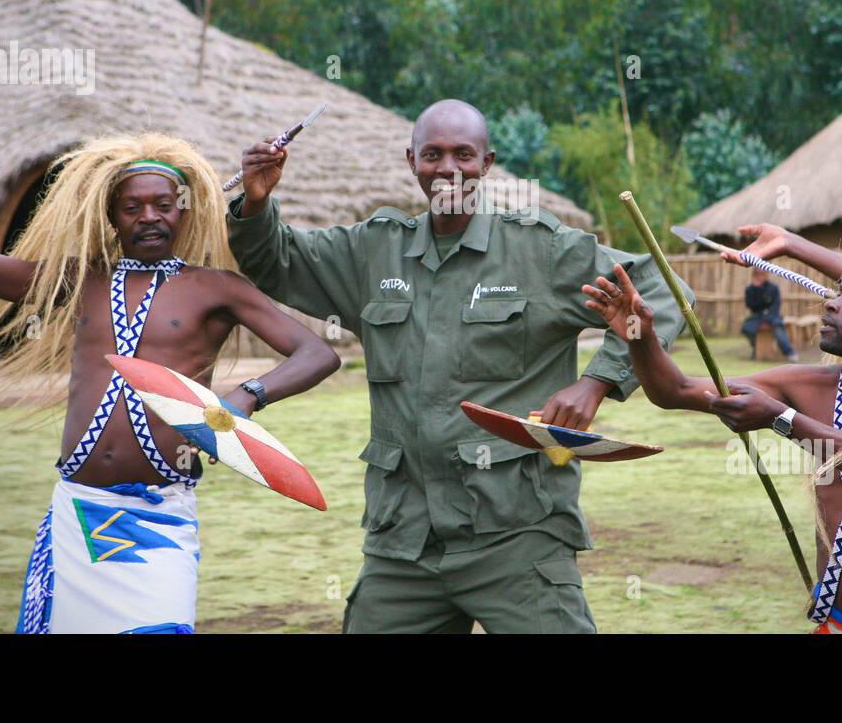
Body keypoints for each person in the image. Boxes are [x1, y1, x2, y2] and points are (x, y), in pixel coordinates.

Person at [226, 98, 690, 633]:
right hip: (403, 544)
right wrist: (256, 204)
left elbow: (665, 290)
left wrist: (596, 382)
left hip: (518, 536)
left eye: (464, 155)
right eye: (434, 154)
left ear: (487, 163)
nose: (449, 168)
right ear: (411, 160)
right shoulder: (372, 252)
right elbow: (276, 262)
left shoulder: (538, 251)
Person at [0, 89, 339, 634]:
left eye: (162, 205)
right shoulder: (79, 280)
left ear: (183, 210)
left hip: (162, 516)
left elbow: (318, 353)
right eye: (132, 208)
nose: (149, 218)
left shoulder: (216, 288)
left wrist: (243, 399)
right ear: (111, 216)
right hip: (78, 512)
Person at [583, 227, 842, 633]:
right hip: (839, 623)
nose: (829, 304)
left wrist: (783, 420)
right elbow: (676, 390)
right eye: (836, 292)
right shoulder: (807, 386)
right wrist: (640, 336)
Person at [740, 268, 798, 361]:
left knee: (777, 326)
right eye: (757, 275)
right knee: (746, 327)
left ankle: (789, 353)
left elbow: (776, 305)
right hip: (757, 317)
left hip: (772, 316)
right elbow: (751, 306)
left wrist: (767, 317)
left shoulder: (773, 288)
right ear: (754, 276)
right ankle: (757, 349)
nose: (760, 277)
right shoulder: (750, 289)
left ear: (766, 275)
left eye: (762, 274)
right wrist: (756, 289)